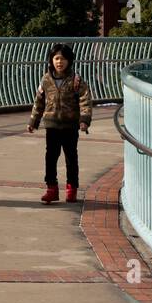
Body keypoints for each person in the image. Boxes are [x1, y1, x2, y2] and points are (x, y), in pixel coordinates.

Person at [27, 42, 92, 203]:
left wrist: (84, 120)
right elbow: (39, 102)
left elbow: (85, 101)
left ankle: (71, 189)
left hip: (70, 126)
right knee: (51, 157)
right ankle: (51, 189)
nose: (59, 62)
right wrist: (33, 121)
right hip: (52, 125)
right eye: (56, 58)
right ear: (51, 60)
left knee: (71, 157)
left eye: (63, 59)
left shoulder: (76, 80)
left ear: (69, 61)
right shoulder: (45, 80)